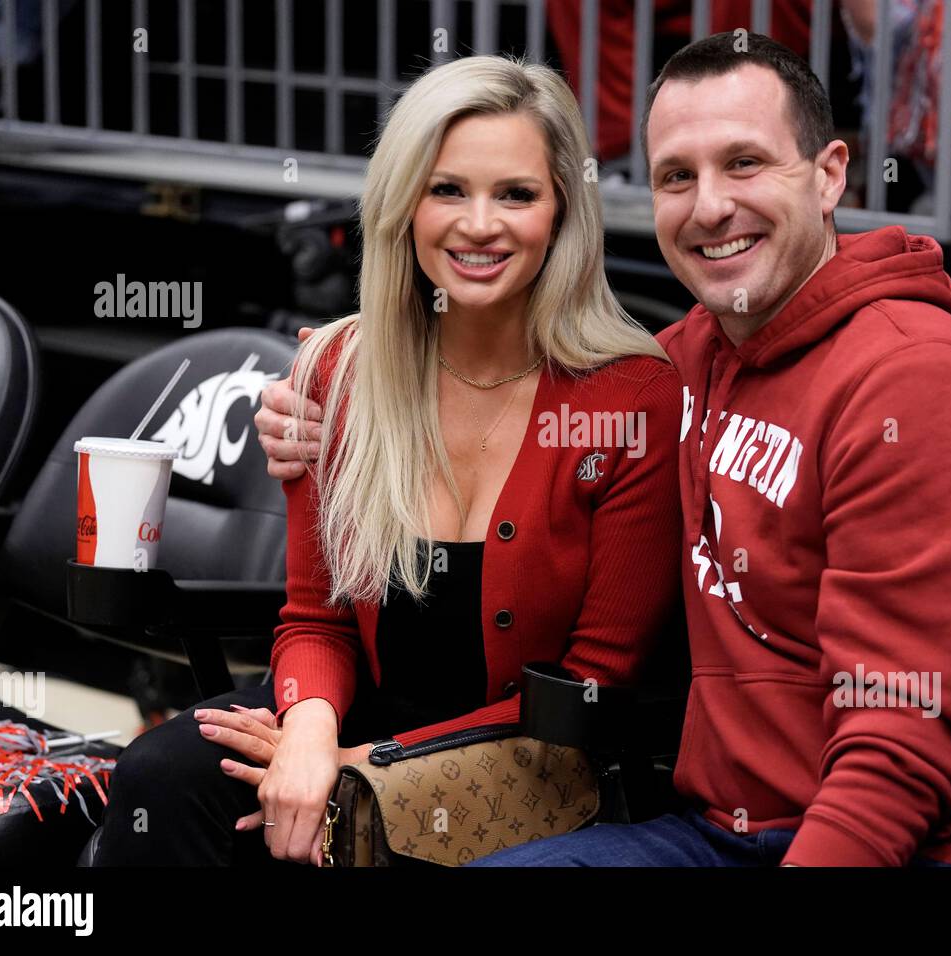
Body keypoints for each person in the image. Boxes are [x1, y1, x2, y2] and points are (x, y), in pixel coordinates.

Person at [258, 33, 951, 867]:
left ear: (830, 175)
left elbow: (899, 758)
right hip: (721, 831)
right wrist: (331, 417)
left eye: (745, 164)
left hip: (939, 842)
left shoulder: (919, 388)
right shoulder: (684, 364)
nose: (709, 207)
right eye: (677, 176)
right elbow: (532, 403)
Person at [93, 54, 683, 866]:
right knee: (166, 776)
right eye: (447, 190)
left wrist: (359, 768)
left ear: (561, 214)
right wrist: (306, 730)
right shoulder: (335, 371)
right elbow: (314, 621)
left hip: (528, 757)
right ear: (403, 204)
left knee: (350, 813)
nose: (480, 224)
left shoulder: (629, 396)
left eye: (516, 193)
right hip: (352, 719)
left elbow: (595, 683)